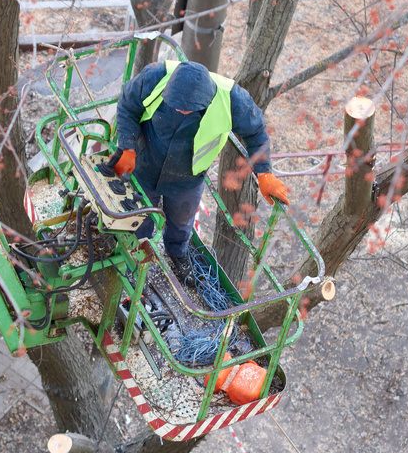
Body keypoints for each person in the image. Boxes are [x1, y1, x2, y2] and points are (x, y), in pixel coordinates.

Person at [107, 59, 288, 285]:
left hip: (188, 176)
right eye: (175, 105)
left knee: (182, 222)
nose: (180, 110)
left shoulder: (232, 100)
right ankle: (132, 255)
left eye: (187, 108)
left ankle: (177, 253)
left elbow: (257, 132)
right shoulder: (156, 75)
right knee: (138, 216)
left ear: (207, 100)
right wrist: (127, 147)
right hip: (145, 161)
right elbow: (127, 104)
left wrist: (264, 174)